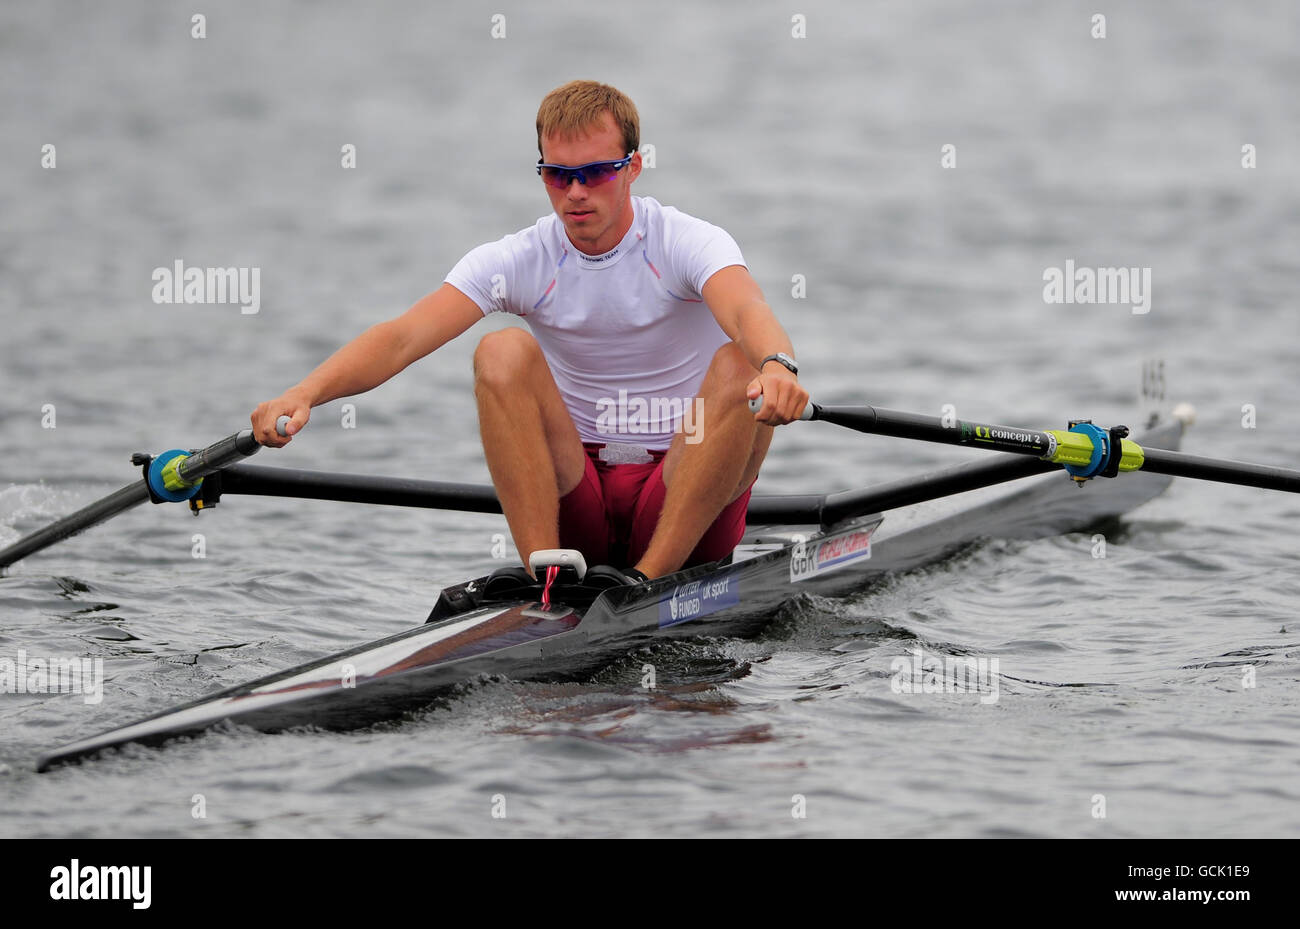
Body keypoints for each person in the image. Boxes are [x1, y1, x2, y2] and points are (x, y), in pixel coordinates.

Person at [251, 80, 808, 583]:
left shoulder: (686, 242)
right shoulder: (521, 257)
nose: (575, 193)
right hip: (579, 492)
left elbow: (746, 311)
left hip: (685, 494)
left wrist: (778, 364)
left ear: (633, 168)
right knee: (501, 350)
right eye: (558, 175)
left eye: (594, 172)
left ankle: (648, 582)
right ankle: (546, 570)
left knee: (742, 363)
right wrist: (305, 393)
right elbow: (401, 337)